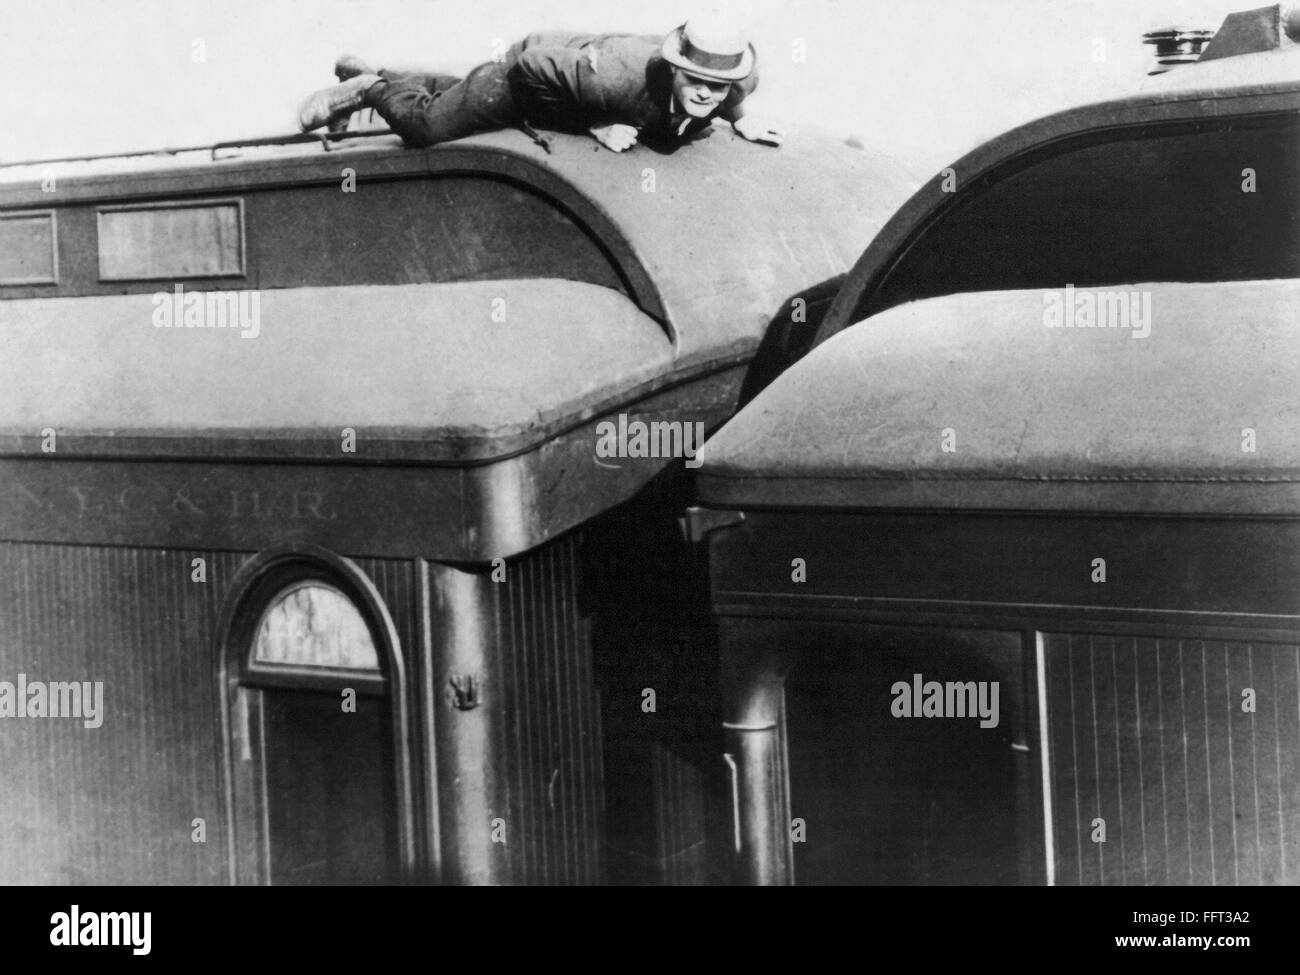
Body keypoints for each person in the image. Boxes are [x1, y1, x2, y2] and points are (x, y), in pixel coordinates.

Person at [297, 20, 782, 153]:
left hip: (571, 68)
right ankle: (369, 87)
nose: (706, 95)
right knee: (427, 128)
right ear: (675, 70)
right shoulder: (616, 83)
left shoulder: (736, 84)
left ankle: (376, 68)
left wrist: (743, 121)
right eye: (695, 80)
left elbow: (727, 93)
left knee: (459, 96)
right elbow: (533, 66)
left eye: (719, 88)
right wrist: (594, 124)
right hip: (536, 69)